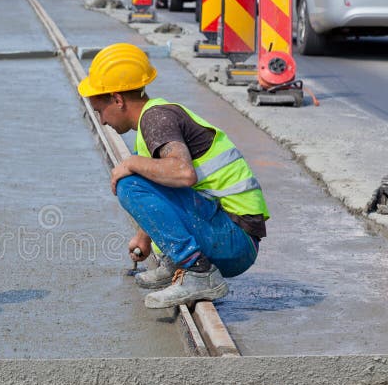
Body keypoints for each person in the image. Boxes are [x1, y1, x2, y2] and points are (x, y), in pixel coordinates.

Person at [78, 43, 269, 308]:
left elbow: (183, 173)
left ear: (117, 99)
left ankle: (197, 271)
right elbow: (162, 185)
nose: (103, 121)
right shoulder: (153, 121)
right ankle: (180, 263)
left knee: (128, 184)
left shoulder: (156, 120)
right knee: (139, 175)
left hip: (236, 240)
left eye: (100, 111)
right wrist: (144, 239)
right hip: (231, 234)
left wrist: (131, 162)